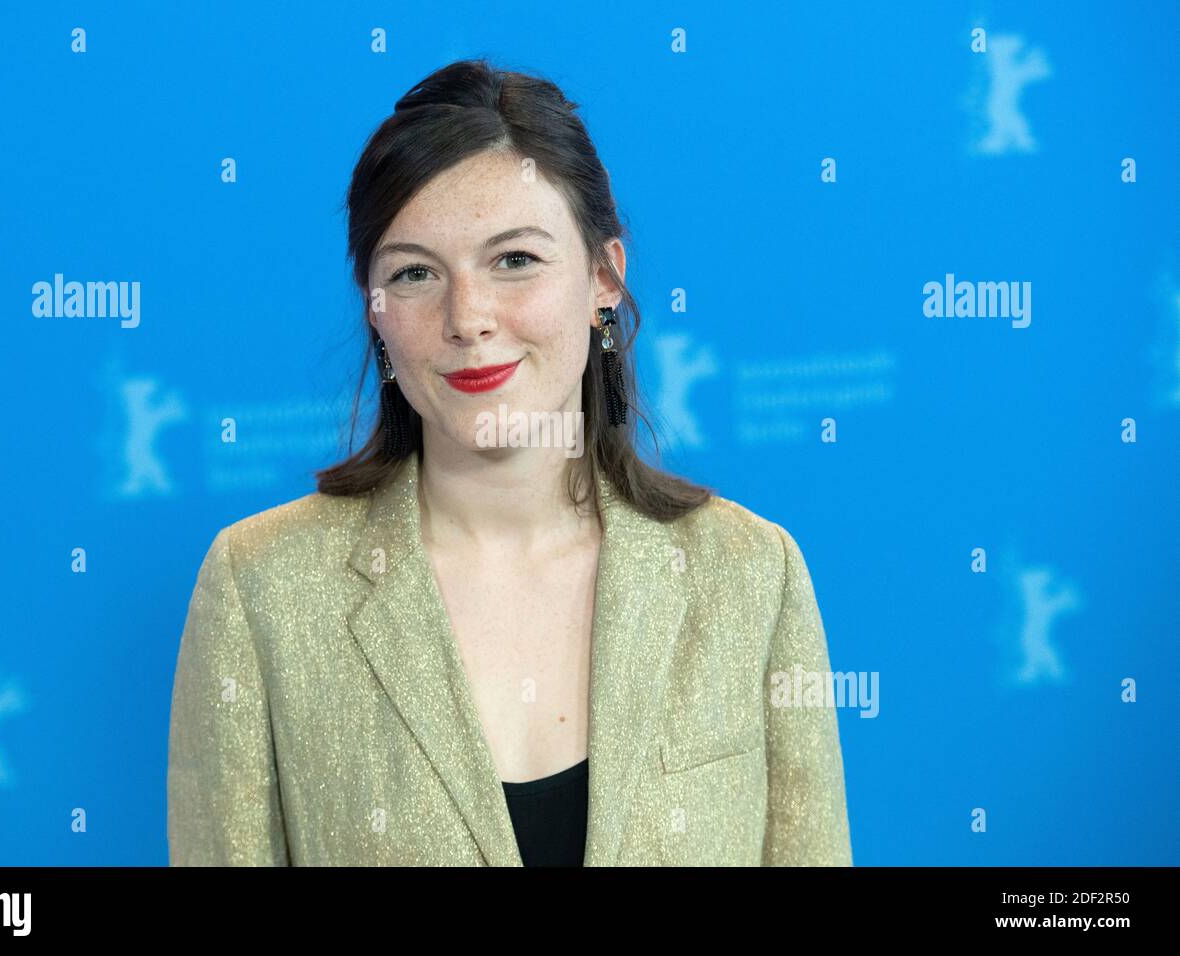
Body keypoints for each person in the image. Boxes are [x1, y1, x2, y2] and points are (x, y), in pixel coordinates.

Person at [167, 57, 853, 866]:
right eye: (415, 273)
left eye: (515, 260)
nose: (469, 318)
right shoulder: (261, 589)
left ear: (603, 278)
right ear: (376, 311)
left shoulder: (752, 576)